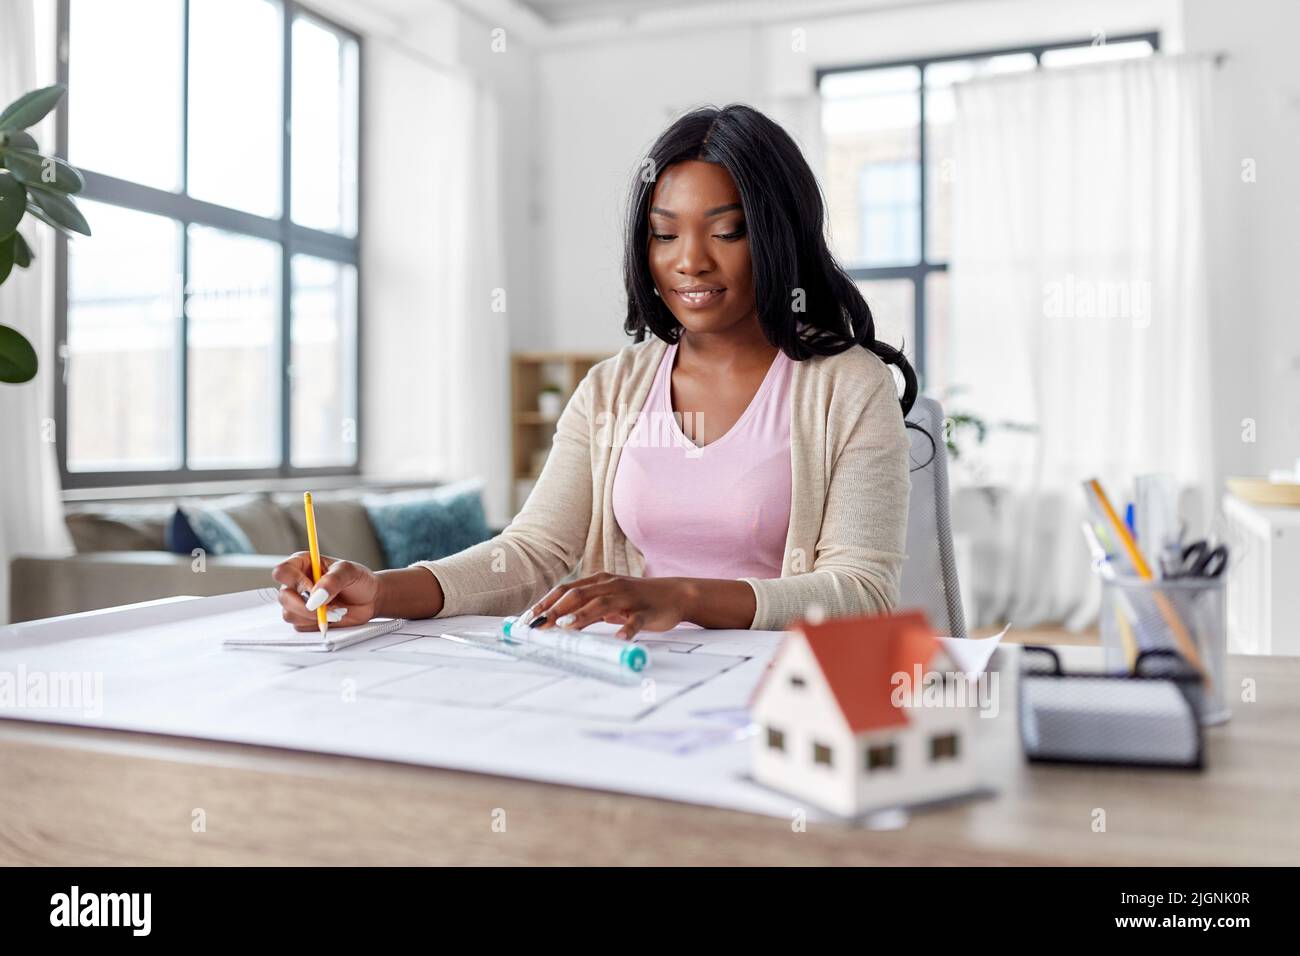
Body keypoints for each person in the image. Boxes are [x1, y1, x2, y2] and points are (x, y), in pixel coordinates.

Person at [274, 103, 917, 640]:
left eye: (726, 232)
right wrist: (381, 590)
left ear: (780, 236)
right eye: (665, 235)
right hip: (632, 677)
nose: (689, 261)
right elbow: (531, 553)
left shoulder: (847, 385)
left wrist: (683, 596)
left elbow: (861, 593)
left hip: (785, 694)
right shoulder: (614, 388)